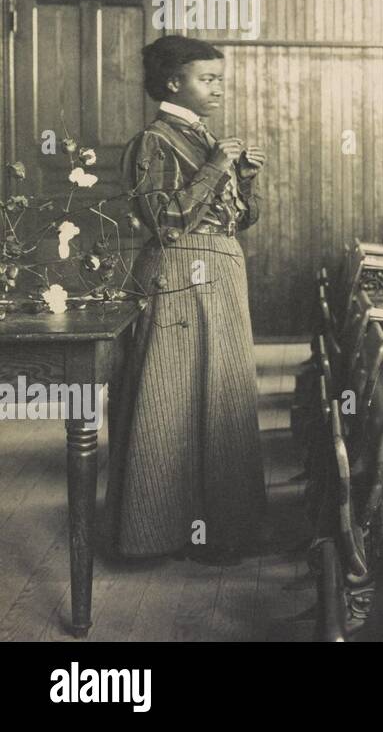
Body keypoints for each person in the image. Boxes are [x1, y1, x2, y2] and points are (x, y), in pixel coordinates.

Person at [110, 36, 266, 562]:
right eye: (208, 78)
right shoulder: (153, 140)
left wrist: (244, 177)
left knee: (220, 395)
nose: (219, 87)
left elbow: (240, 220)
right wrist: (220, 165)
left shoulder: (203, 137)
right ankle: (155, 532)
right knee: (170, 397)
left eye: (220, 78)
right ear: (174, 83)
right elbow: (166, 222)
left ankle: (218, 530)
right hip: (180, 271)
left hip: (221, 272)